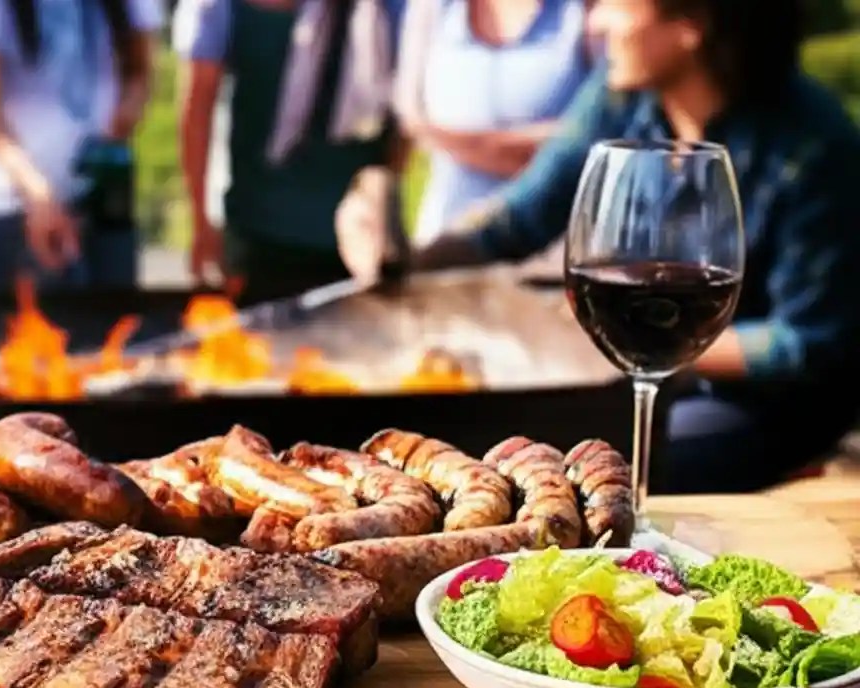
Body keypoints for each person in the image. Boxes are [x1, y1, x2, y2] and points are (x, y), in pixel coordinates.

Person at [337, 0, 860, 493]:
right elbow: (518, 220)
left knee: (586, 470)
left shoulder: (812, 147)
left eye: (616, 4)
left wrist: (647, 350)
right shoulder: (621, 96)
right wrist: (400, 254)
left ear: (691, 24)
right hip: (646, 377)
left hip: (766, 404)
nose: (595, 23)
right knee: (515, 453)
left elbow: (807, 343)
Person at [174, 0, 408, 302]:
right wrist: (202, 225)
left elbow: (405, 117)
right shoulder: (221, 8)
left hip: (358, 243)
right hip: (256, 229)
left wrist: (380, 204)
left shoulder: (388, 9)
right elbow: (198, 107)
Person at [0, 0, 162, 292]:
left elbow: (141, 73)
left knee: (117, 324)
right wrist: (39, 196)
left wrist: (119, 126)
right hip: (15, 205)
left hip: (98, 199)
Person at [393, 0, 595, 242]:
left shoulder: (586, 10)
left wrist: (454, 142)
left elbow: (595, 142)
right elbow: (410, 121)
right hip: (445, 245)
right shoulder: (432, 7)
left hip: (550, 256)